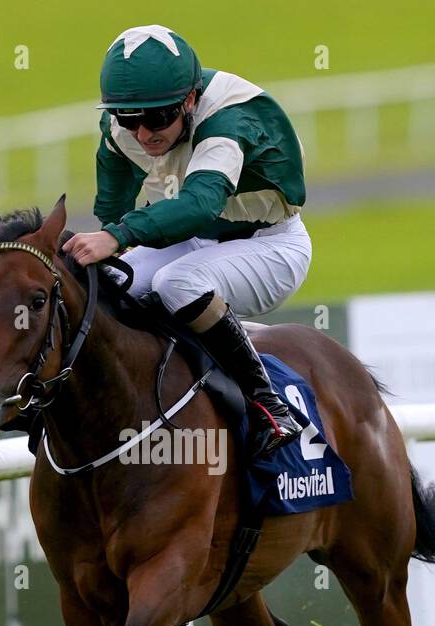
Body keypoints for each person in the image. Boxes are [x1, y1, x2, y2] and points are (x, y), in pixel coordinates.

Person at [63, 24, 311, 456]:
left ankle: (268, 406)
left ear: (191, 100)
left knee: (176, 283)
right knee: (108, 286)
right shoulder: (122, 123)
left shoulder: (230, 119)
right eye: (129, 118)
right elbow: (113, 209)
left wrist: (117, 236)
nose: (143, 133)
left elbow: (198, 204)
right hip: (195, 240)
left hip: (272, 247)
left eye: (158, 118)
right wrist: (109, 243)